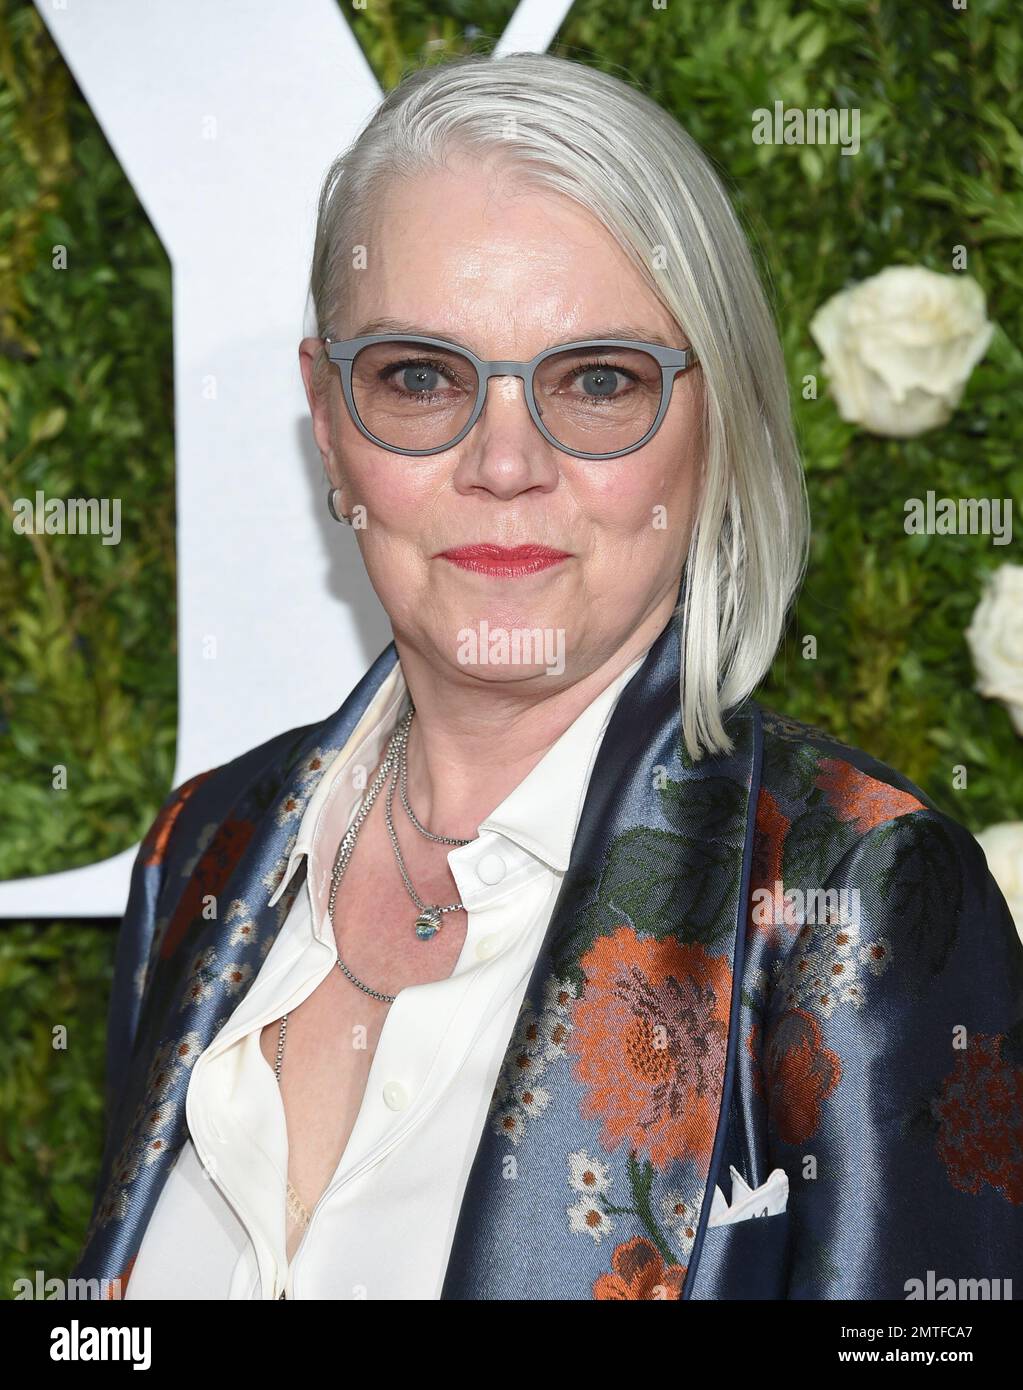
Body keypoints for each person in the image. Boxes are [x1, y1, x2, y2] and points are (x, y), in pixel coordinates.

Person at [70, 51, 1022, 1301]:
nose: (505, 462)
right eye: (421, 377)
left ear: (715, 419)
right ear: (328, 416)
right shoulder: (205, 845)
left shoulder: (863, 892)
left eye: (598, 381)